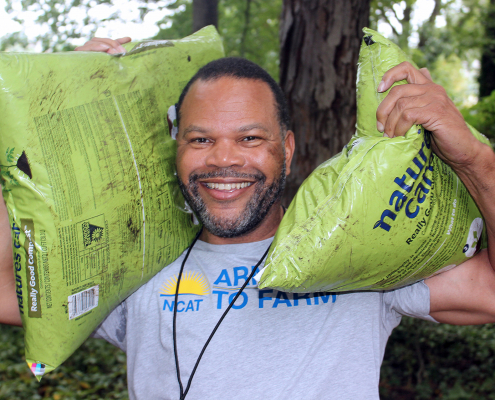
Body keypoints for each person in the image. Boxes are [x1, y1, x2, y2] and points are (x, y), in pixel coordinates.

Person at [1, 37, 494, 400]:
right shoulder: (137, 263)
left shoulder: (360, 255)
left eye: (250, 138)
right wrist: (41, 131)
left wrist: (473, 157)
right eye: (200, 140)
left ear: (287, 147)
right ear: (177, 152)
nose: (223, 159)